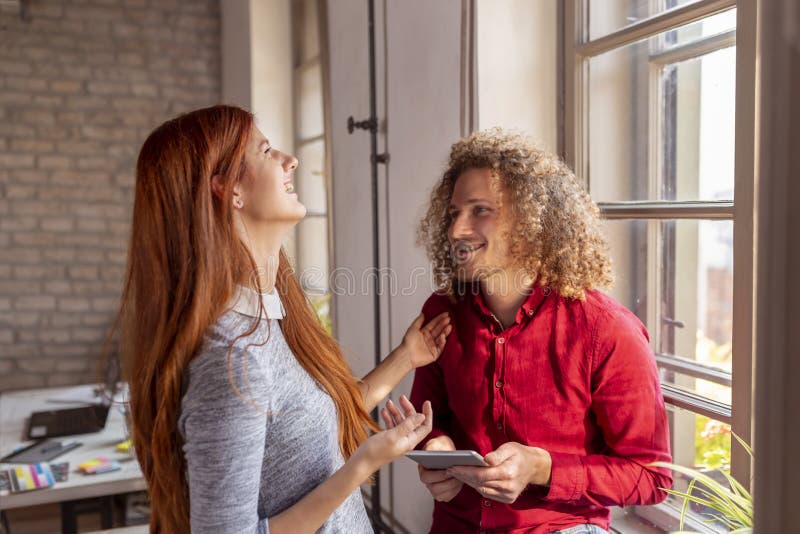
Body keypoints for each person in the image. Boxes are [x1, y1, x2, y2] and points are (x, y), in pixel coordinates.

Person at [116, 104, 452, 533]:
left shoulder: (267, 313)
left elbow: (306, 431)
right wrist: (363, 463)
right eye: (266, 151)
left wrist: (408, 356)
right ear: (228, 190)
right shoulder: (233, 358)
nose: (290, 160)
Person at [403, 128, 673, 533]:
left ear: (532, 221)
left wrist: (542, 467)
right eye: (455, 212)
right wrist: (436, 448)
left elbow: (652, 477)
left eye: (480, 210)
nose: (457, 230)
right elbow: (431, 419)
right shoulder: (442, 312)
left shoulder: (608, 330)